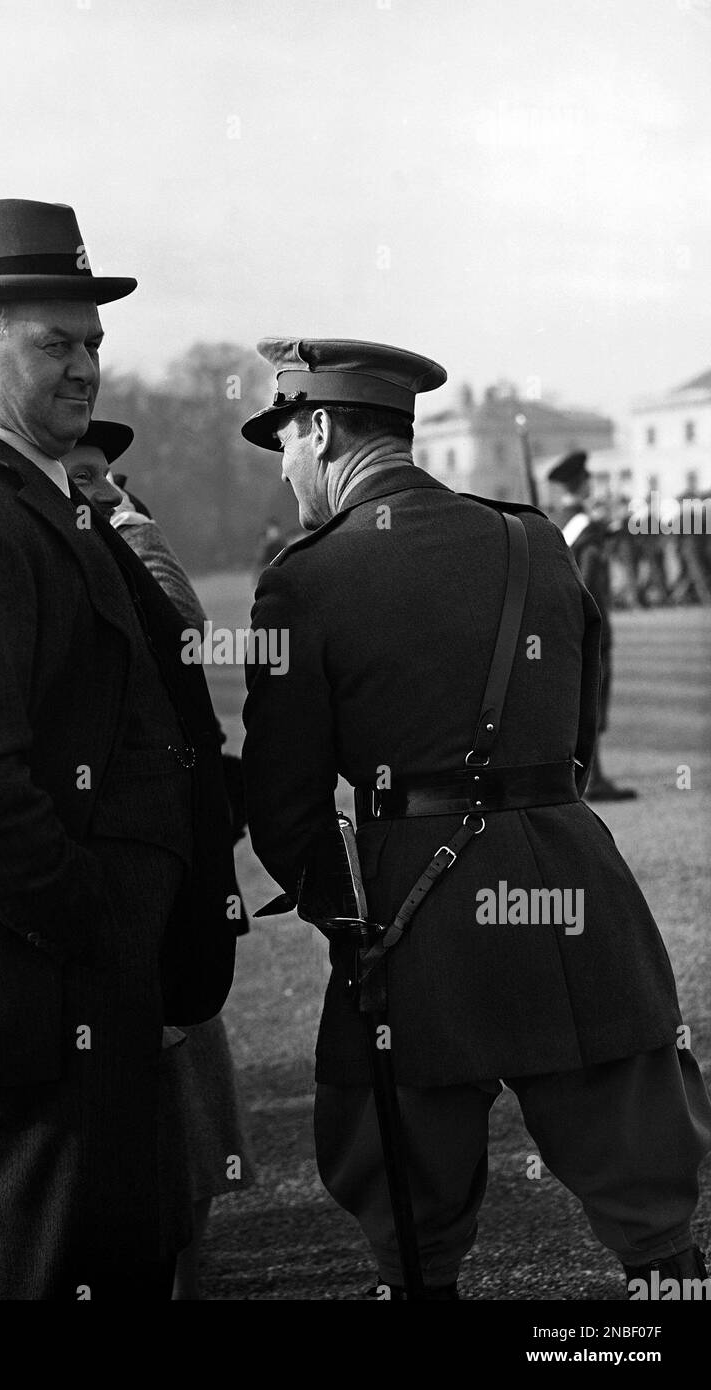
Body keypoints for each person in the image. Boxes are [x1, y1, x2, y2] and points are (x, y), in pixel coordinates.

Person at [240, 336, 711, 1300]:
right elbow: (577, 736)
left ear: (321, 430)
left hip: (411, 915)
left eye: (285, 442)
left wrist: (349, 921)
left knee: (412, 1219)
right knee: (649, 1197)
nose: (287, 470)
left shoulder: (303, 580)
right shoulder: (532, 538)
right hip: (571, 881)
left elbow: (283, 804)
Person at [0, 198, 239, 1300]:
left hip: (73, 1004)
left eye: (95, 344)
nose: (86, 368)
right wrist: (105, 937)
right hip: (38, 1012)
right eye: (57, 343)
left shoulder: (30, 499)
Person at [65, 421, 258, 1299]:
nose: (86, 483)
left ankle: (188, 1260)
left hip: (163, 856)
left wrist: (127, 526)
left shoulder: (126, 537)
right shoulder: (18, 539)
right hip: (90, 847)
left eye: (96, 471)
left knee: (184, 1051)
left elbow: (182, 635)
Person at [547, 450, 636, 800]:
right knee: (594, 697)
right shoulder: (588, 528)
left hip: (559, 624)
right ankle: (593, 779)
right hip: (589, 624)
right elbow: (591, 582)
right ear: (582, 483)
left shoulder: (552, 520)